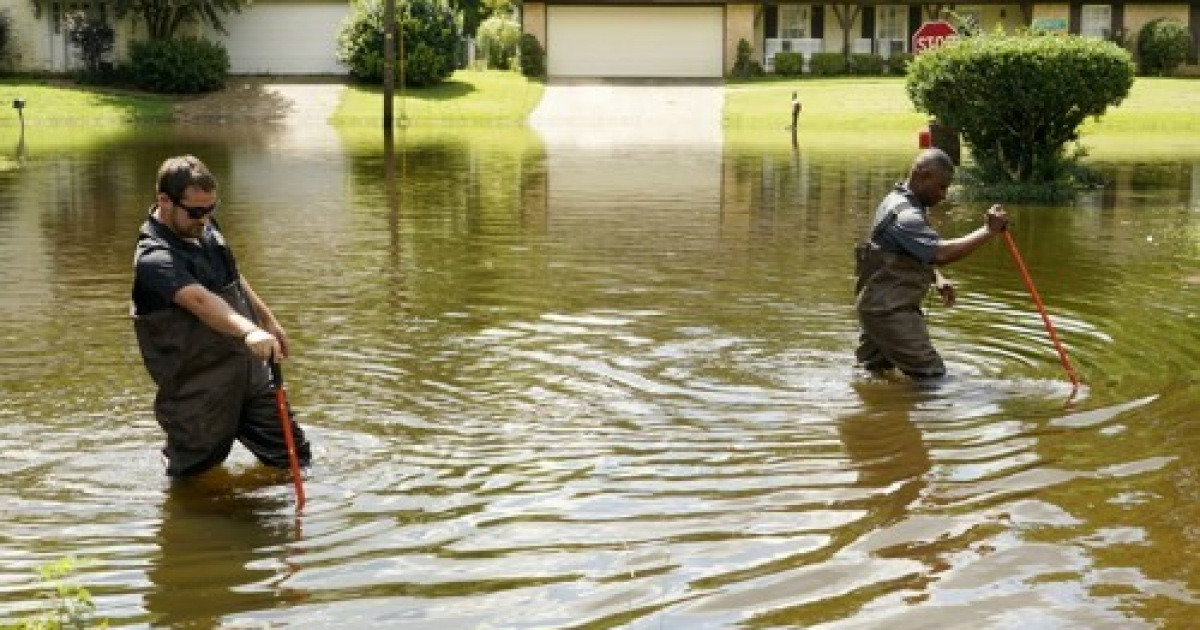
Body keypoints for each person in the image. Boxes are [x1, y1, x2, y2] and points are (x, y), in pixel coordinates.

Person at [131, 155, 312, 477]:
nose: (204, 218)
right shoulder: (154, 258)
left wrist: (266, 320)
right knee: (194, 478)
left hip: (251, 374)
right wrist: (249, 331)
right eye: (195, 211)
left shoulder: (205, 226)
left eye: (211, 208)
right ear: (165, 201)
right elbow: (202, 302)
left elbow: (233, 278)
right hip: (200, 391)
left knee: (295, 459)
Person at [854, 148, 1008, 379]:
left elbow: (908, 252)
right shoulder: (905, 215)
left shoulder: (901, 202)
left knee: (873, 374)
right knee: (932, 376)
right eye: (941, 187)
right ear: (923, 175)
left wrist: (936, 277)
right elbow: (940, 254)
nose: (944, 195)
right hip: (889, 312)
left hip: (876, 308)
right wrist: (988, 231)